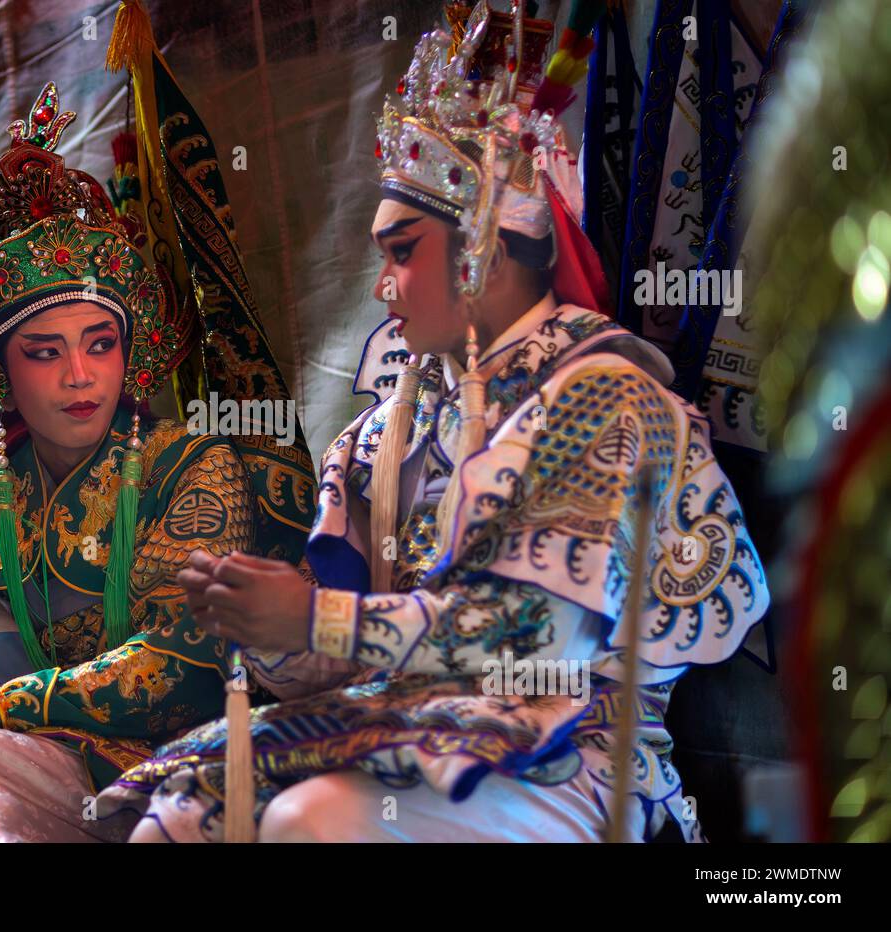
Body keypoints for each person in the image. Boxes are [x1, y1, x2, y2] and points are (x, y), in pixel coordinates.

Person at [96, 3, 770, 842]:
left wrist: (311, 619)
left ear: (482, 253)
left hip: (571, 749)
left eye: (401, 251)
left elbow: (535, 634)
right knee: (181, 819)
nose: (384, 288)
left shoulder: (603, 399)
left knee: (317, 819)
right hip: (404, 729)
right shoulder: (385, 435)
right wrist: (256, 620)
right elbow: (329, 669)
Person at [0, 85, 267, 842]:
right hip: (14, 764)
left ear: (130, 354)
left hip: (173, 767)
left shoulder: (190, 468)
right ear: (0, 375)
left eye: (100, 343)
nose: (80, 375)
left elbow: (179, 668)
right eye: (45, 352)